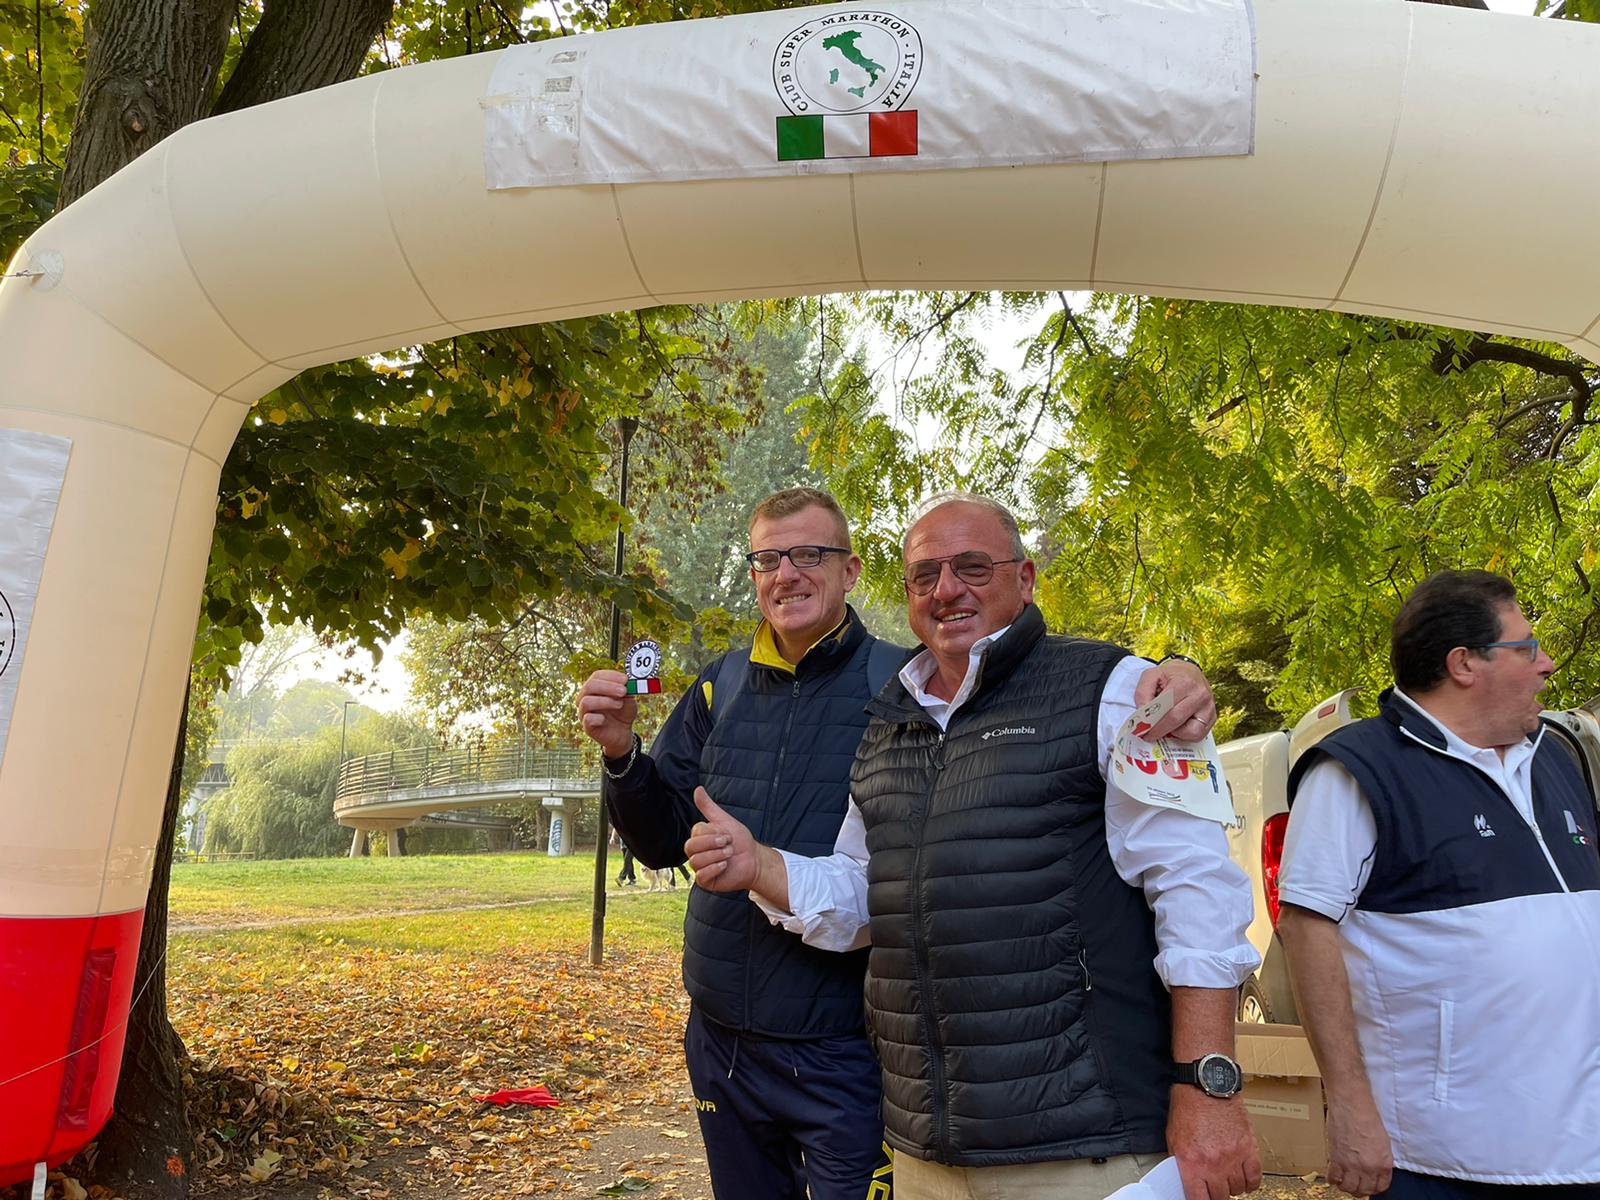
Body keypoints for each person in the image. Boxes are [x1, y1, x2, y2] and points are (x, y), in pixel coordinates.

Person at [578, 487, 1216, 1200]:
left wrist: (1173, 670)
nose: (786, 572)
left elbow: (1187, 882)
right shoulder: (723, 687)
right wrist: (622, 756)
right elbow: (671, 840)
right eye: (768, 558)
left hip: (863, 1052)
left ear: (850, 571)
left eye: (809, 554)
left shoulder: (906, 686)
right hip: (736, 1041)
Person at [1276, 569, 1600, 1200]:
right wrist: (1347, 1104)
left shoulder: (1555, 756)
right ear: (1463, 663)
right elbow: (1306, 928)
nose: (1548, 665)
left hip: (1583, 1144)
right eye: (1527, 647)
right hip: (1446, 1160)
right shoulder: (1359, 770)